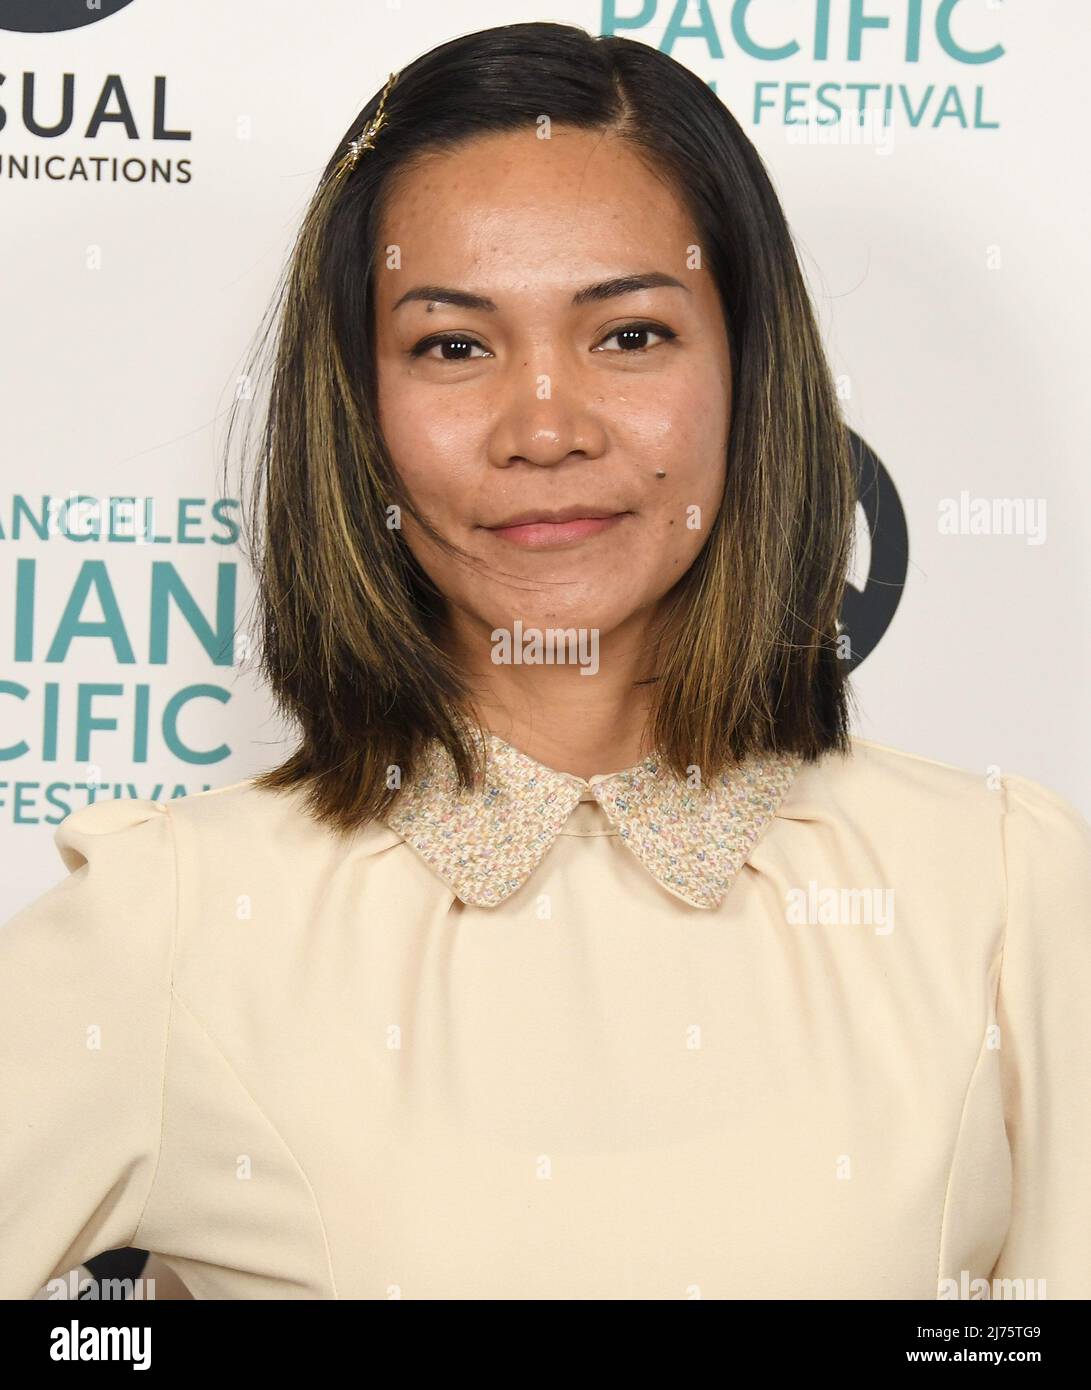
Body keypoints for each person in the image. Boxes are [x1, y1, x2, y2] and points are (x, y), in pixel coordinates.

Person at [2, 21, 1089, 1301]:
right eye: (452, 345)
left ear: (749, 367)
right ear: (355, 404)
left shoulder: (1000, 890)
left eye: (627, 335)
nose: (545, 426)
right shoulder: (175, 917)